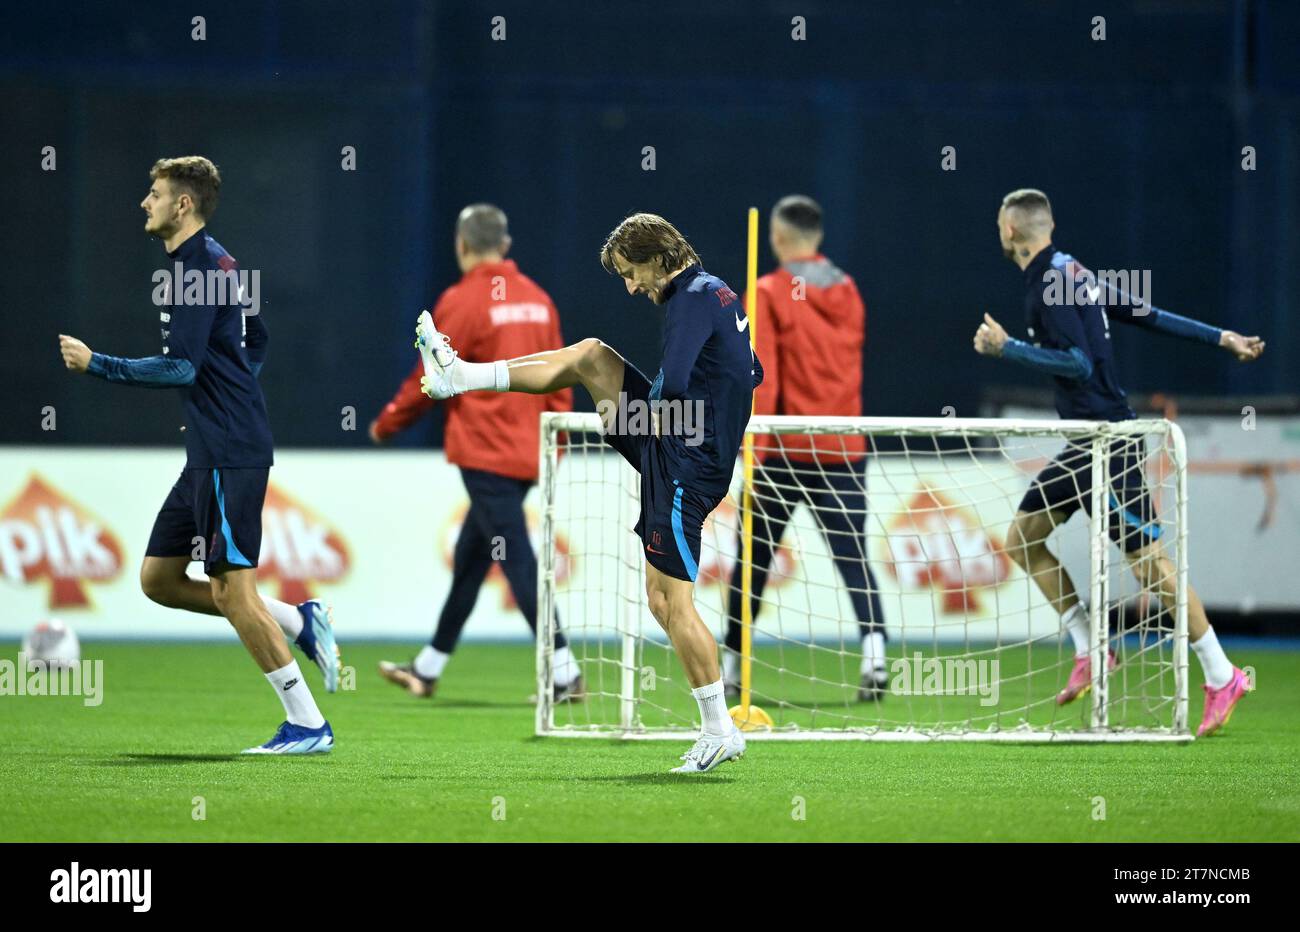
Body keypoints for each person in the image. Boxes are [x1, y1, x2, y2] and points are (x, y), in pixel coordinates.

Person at [414, 213, 762, 773]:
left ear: (659, 256)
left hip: (683, 465)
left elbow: (672, 385)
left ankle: (720, 730)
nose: (631, 287)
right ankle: (461, 376)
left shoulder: (690, 299)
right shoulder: (716, 292)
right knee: (592, 357)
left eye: (631, 273)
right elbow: (754, 371)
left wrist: (649, 421)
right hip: (684, 448)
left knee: (670, 602)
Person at [58, 156, 338, 754]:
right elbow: (256, 338)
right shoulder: (217, 262)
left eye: (153, 193)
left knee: (231, 594)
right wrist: (233, 386)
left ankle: (309, 724)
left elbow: (181, 366)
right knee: (158, 580)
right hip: (211, 449)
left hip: (228, 452)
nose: (144, 203)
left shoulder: (198, 271)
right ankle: (296, 620)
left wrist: (96, 364)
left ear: (181, 204)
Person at [973, 188, 1264, 736]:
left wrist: (1007, 348)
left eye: (998, 222)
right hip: (1083, 442)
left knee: (1150, 565)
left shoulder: (1049, 283)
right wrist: (1220, 337)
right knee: (1023, 538)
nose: (997, 230)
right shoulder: (1072, 271)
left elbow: (1080, 366)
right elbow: (1147, 313)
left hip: (1109, 442)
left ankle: (1222, 674)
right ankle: (1091, 649)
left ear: (1011, 230)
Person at [370, 204, 581, 699]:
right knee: (474, 554)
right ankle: (427, 667)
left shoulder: (461, 300)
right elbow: (562, 375)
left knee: (517, 559)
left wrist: (387, 423)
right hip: (531, 450)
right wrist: (557, 445)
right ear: (505, 245)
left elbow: (429, 378)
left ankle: (566, 672)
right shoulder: (539, 301)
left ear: (461, 245)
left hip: (486, 452)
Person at [724, 194, 888, 701]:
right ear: (817, 236)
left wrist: (748, 438)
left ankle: (731, 665)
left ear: (777, 237)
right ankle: (876, 658)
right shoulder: (848, 290)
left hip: (784, 449)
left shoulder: (770, 290)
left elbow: (763, 376)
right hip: (841, 445)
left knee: (752, 561)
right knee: (853, 556)